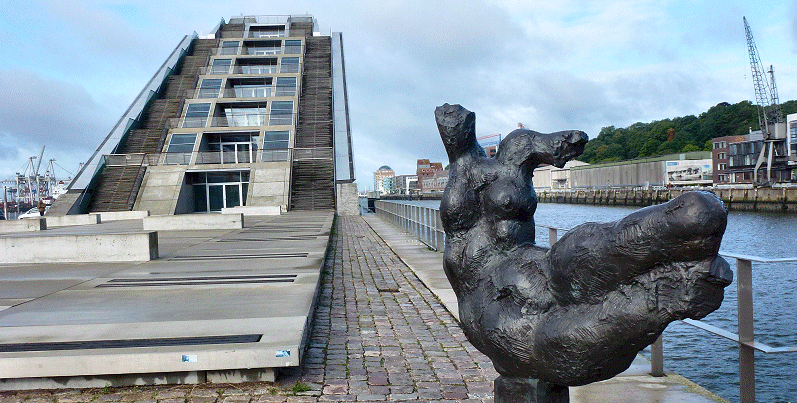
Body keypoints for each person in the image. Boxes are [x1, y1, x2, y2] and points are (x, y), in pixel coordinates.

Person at [435, 103, 732, 386]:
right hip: (485, 301)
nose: (449, 113)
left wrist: (563, 144)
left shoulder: (512, 152)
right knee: (546, 342)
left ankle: (689, 220)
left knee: (582, 251)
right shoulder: (468, 169)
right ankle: (669, 293)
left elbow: (554, 145)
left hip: (535, 267)